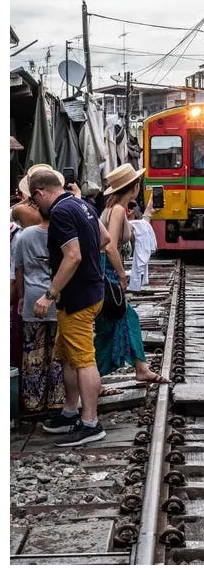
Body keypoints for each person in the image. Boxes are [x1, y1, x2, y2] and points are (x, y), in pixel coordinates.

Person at [28, 168, 109, 447]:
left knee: (83, 358)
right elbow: (104, 239)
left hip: (77, 298)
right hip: (91, 291)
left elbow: (72, 256)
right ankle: (70, 411)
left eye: (33, 201)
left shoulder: (61, 213)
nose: (34, 207)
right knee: (68, 353)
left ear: (40, 193)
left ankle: (90, 422)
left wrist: (49, 294)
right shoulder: (81, 204)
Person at [95, 164, 169, 385]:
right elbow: (110, 246)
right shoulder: (117, 210)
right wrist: (120, 274)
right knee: (114, 322)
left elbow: (131, 231)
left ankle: (139, 368)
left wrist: (147, 213)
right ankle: (92, 379)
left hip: (103, 269)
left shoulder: (112, 208)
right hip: (107, 272)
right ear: (135, 187)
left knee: (116, 323)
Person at [13, 170, 66, 414]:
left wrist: (22, 297)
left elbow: (20, 272)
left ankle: (33, 401)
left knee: (32, 354)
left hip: (31, 300)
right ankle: (56, 400)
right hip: (56, 300)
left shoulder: (24, 236)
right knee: (57, 354)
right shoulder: (61, 234)